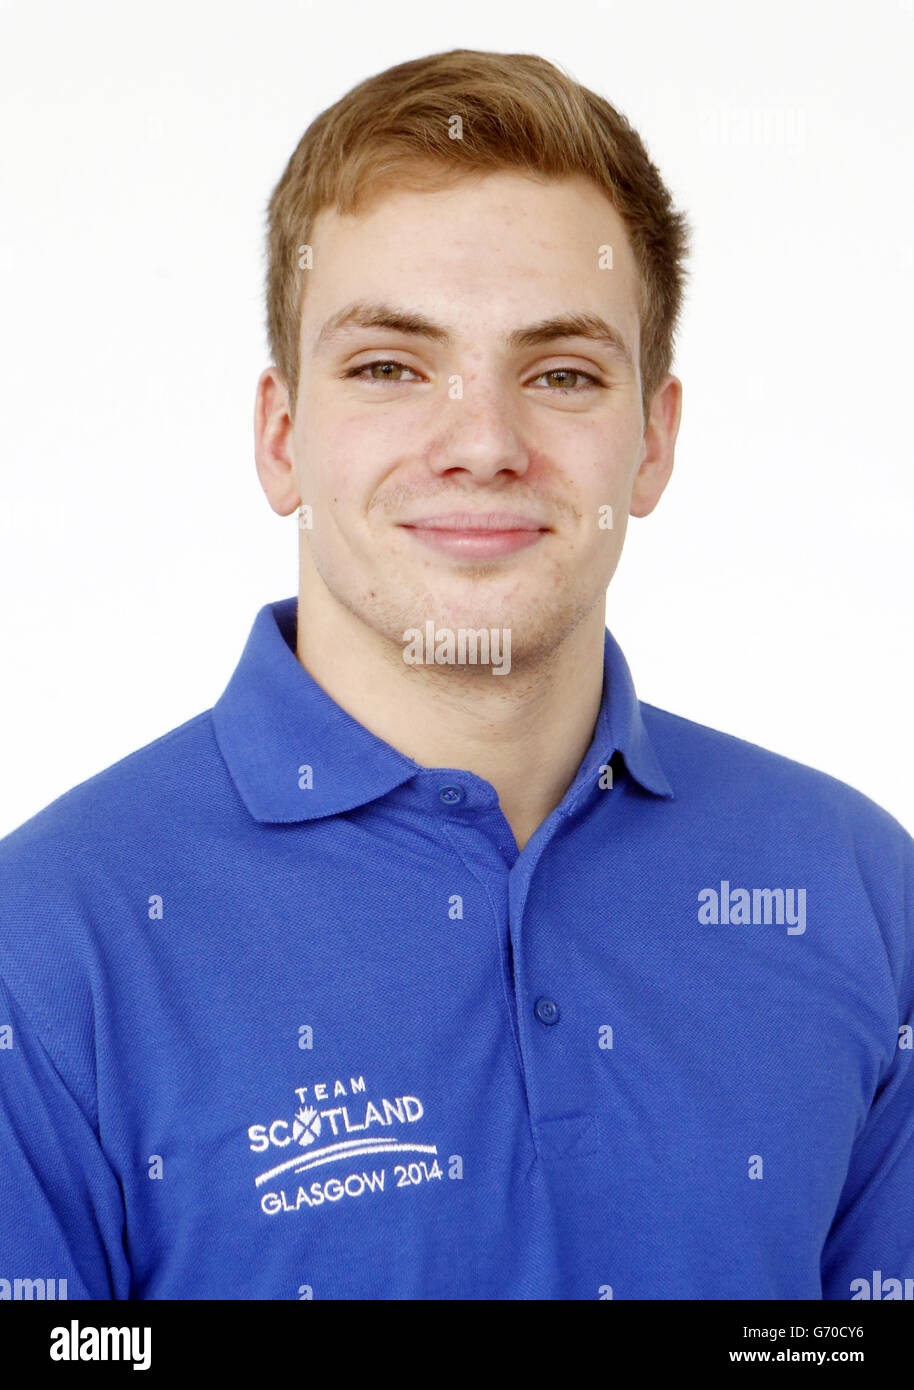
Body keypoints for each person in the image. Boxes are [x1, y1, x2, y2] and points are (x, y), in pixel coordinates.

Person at [1, 48, 911, 1302]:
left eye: (561, 374)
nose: (481, 442)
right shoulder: (42, 943)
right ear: (281, 437)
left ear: (650, 444)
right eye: (388, 365)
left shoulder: (858, 891)